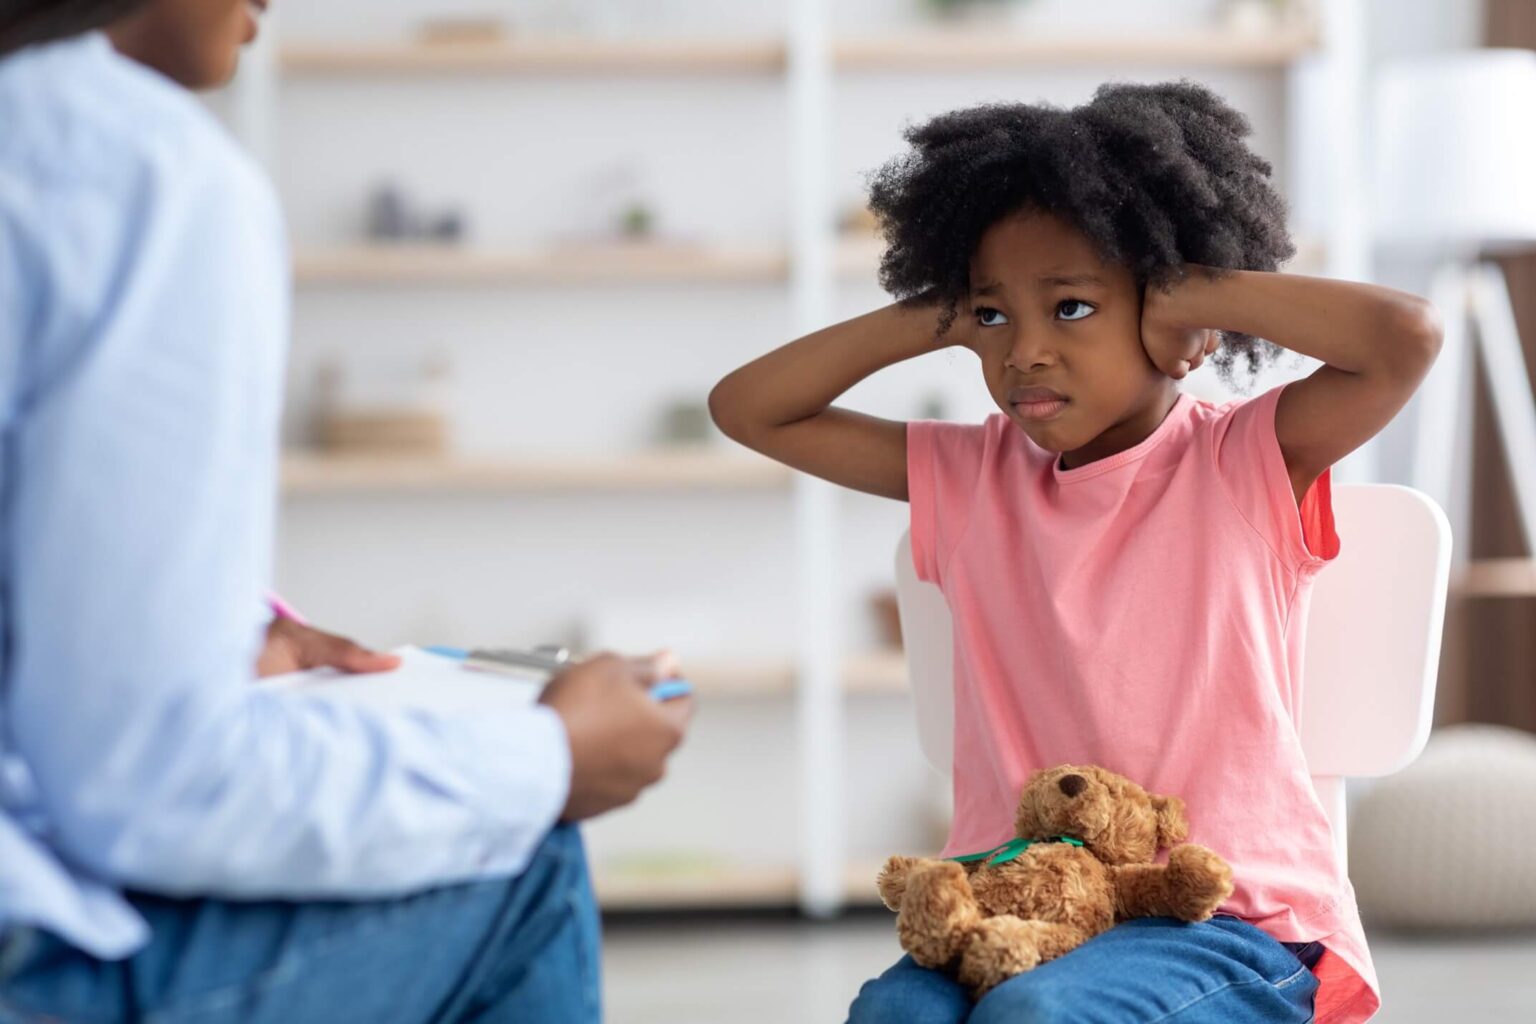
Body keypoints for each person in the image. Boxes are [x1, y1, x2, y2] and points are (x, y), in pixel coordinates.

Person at [0, 2, 692, 1021]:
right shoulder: (140, 168)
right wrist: (549, 760)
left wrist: (198, 650)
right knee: (527, 863)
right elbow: (155, 789)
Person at [712, 82, 1442, 1024]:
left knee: (1037, 1019)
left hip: (1226, 918)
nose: (1023, 353)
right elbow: (747, 408)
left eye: (1070, 309)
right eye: (991, 320)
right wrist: (938, 308)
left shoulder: (1242, 461)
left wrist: (1182, 286)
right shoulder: (972, 479)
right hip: (1009, 903)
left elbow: (1403, 338)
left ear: (1175, 327)